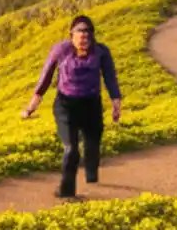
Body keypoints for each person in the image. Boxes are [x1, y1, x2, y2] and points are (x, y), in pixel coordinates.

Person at [22, 15, 122, 199]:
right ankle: (66, 193)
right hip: (66, 106)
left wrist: (116, 102)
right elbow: (45, 78)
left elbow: (110, 77)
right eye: (80, 34)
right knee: (72, 149)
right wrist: (31, 107)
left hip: (91, 104)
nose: (83, 38)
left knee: (93, 143)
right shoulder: (61, 50)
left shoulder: (101, 52)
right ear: (71, 35)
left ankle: (91, 175)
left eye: (87, 34)